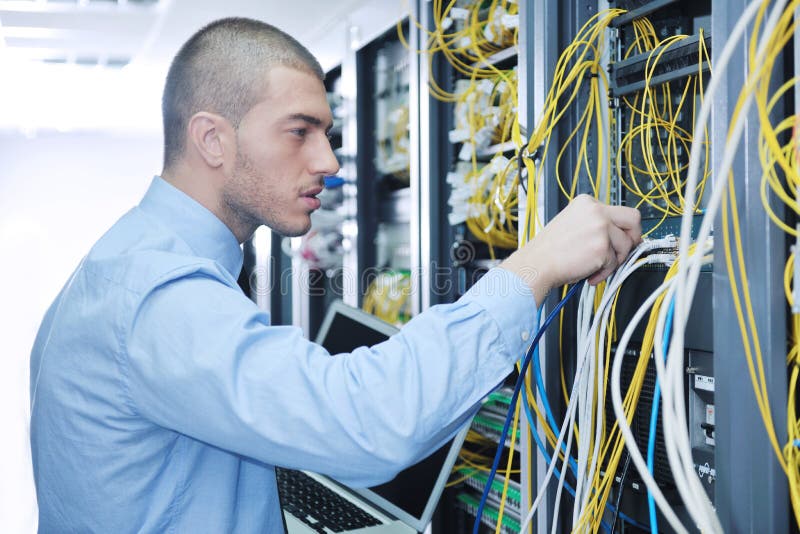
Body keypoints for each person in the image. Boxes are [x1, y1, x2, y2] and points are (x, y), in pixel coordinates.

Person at [29, 17, 641, 533]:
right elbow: (370, 421)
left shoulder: (126, 265)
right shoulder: (159, 298)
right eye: (300, 131)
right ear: (212, 140)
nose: (328, 161)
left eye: (327, 132)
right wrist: (533, 266)